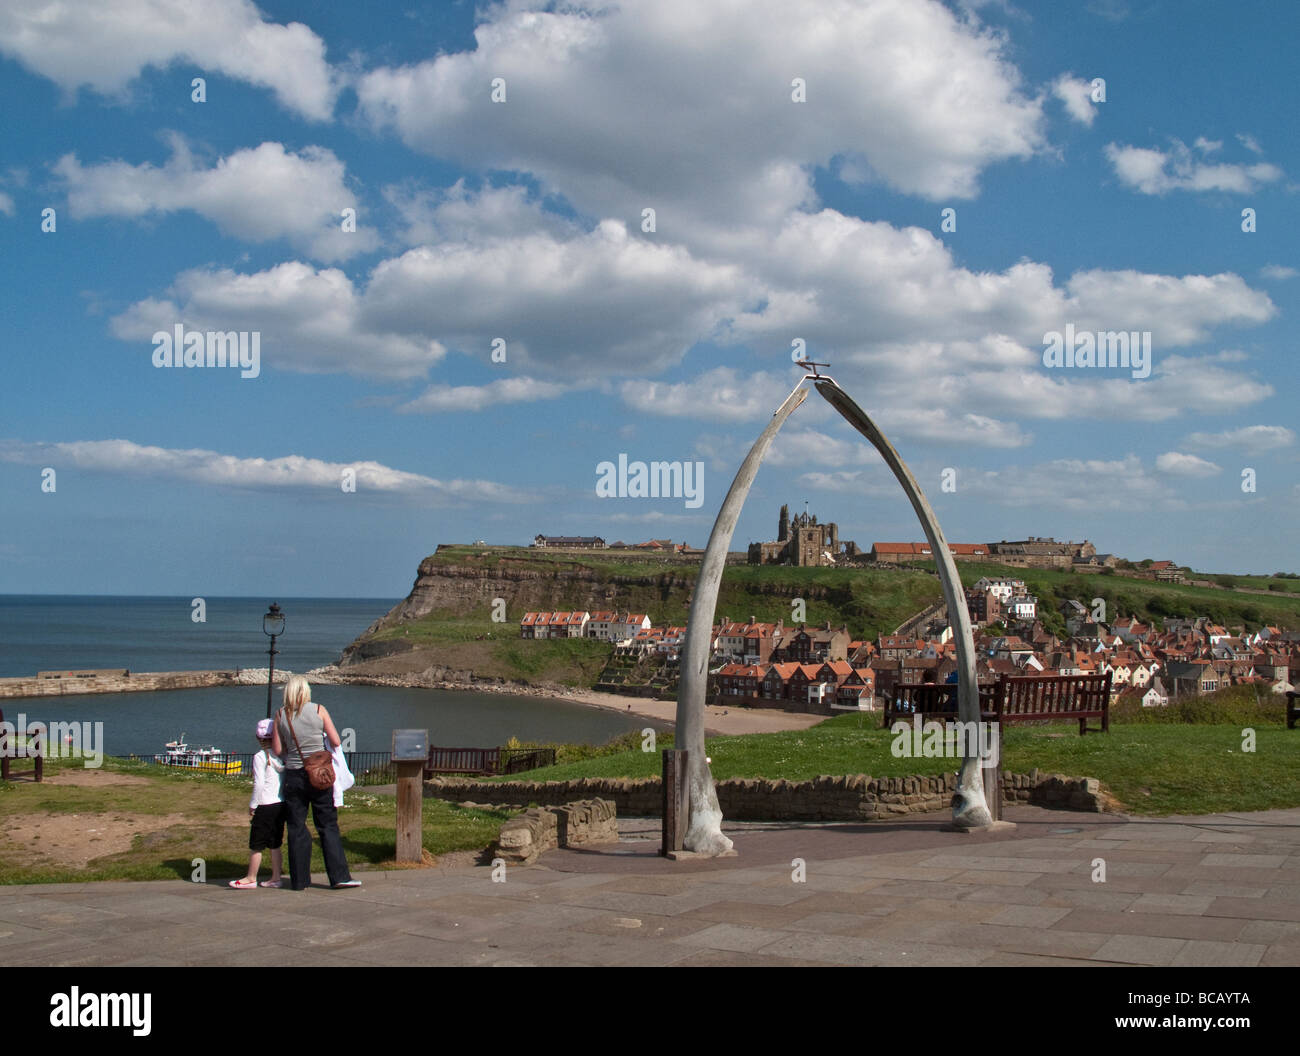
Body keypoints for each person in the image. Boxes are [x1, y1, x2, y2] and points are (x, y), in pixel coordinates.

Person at [271, 675, 360, 890]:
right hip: (319, 774)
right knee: (327, 825)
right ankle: (339, 877)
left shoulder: (280, 714)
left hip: (294, 775)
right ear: (306, 691)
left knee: (296, 826)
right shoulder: (319, 710)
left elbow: (278, 750)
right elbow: (336, 740)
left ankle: (299, 880)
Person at [230, 718, 285, 889]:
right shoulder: (283, 755)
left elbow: (259, 783)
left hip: (265, 804)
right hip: (280, 803)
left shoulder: (260, 757)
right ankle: (276, 877)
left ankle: (251, 877)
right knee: (275, 843)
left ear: (259, 738)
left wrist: (253, 804)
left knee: (256, 844)